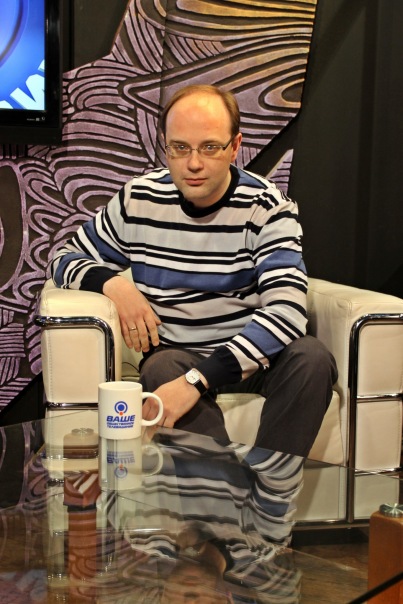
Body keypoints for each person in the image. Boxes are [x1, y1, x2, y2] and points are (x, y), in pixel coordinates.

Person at [51, 84, 337, 457]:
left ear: (235, 146)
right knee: (162, 365)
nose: (194, 164)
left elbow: (287, 312)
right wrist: (115, 287)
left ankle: (269, 486)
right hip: (178, 356)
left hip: (253, 361)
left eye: (210, 147)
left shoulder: (268, 208)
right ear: (165, 147)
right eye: (180, 148)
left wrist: (195, 381)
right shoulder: (139, 199)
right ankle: (229, 488)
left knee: (312, 358)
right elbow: (63, 257)